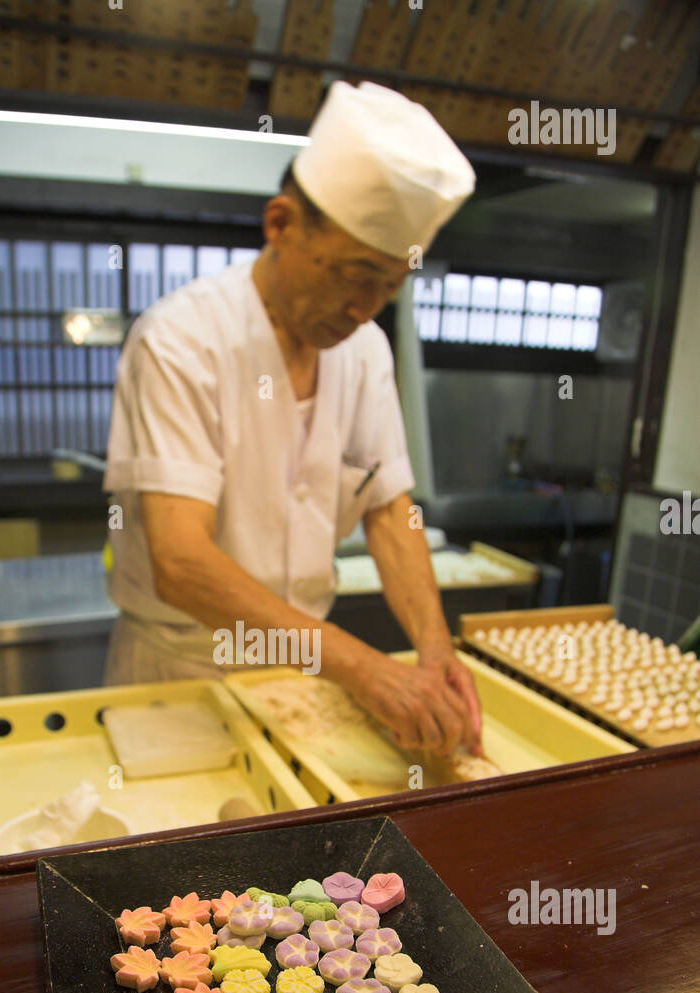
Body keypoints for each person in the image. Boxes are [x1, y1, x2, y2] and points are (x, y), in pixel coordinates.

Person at [102, 80, 482, 756]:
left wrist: (433, 649)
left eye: (390, 287)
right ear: (281, 225)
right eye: (354, 274)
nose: (366, 306)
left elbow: (391, 511)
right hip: (182, 679)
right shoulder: (181, 340)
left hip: (305, 675)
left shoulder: (365, 351)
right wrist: (363, 666)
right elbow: (181, 562)